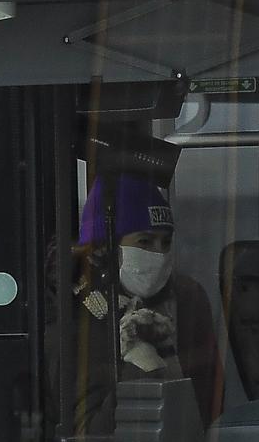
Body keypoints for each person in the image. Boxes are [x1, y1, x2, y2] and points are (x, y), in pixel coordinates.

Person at [69, 170, 222, 425]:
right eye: (145, 241)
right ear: (104, 249)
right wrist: (140, 365)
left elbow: (209, 401)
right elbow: (89, 437)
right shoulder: (79, 316)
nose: (158, 254)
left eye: (166, 243)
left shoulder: (186, 301)